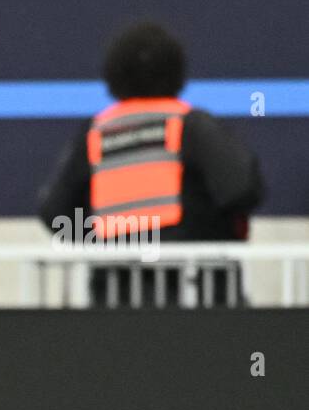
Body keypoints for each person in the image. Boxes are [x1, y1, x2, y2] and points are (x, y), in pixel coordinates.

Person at [37, 21, 263, 307]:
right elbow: (242, 188)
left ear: (113, 75)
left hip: (117, 306)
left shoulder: (96, 132)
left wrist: (105, 238)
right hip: (199, 302)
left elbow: (55, 214)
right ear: (176, 71)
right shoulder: (189, 125)